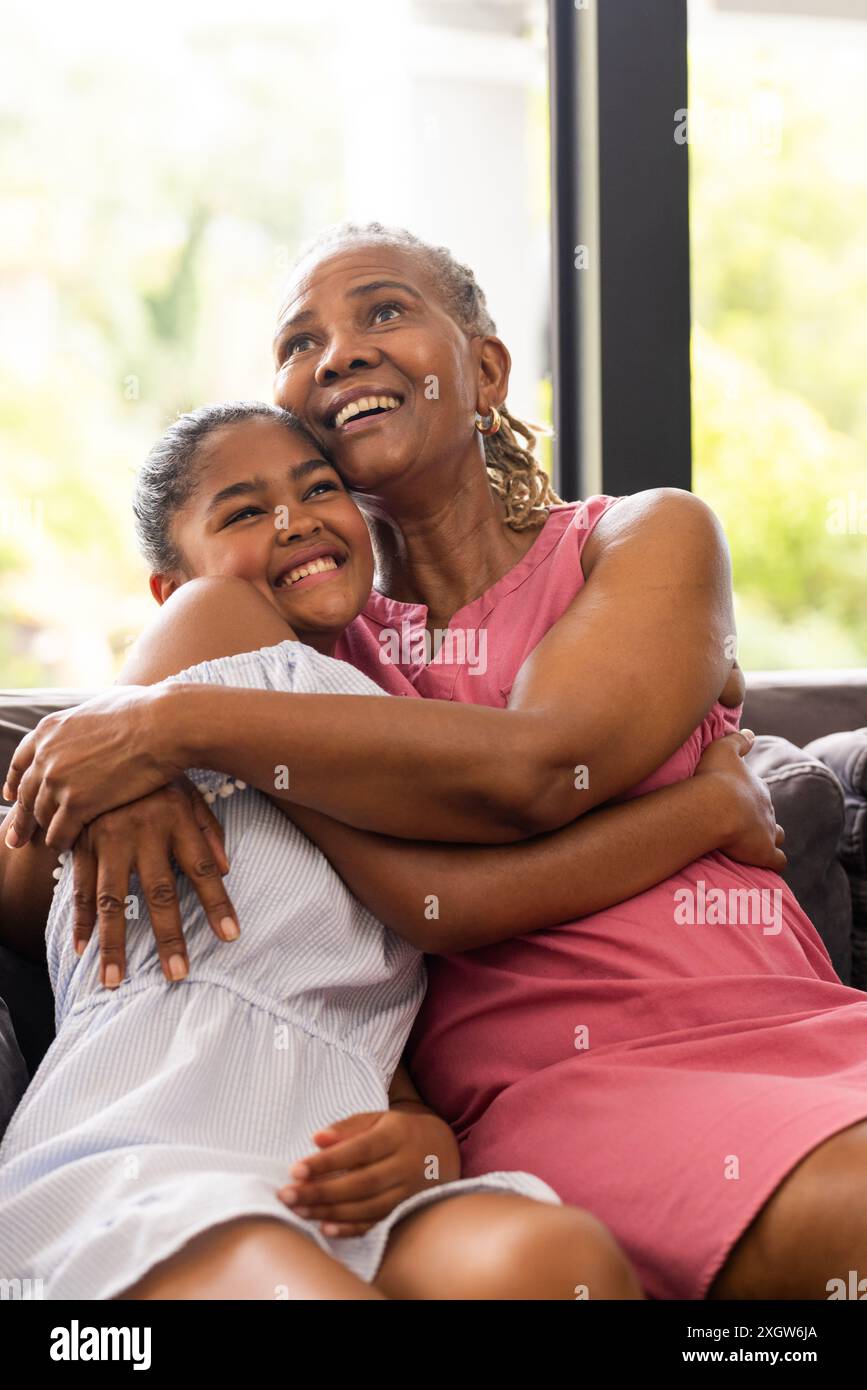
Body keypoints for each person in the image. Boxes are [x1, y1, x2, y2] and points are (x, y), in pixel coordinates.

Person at [9, 224, 864, 1301]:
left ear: (486, 371)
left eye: (383, 311)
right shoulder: (307, 653)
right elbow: (432, 896)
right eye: (300, 340)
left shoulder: (645, 537)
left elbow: (545, 768)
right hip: (569, 1079)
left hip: (793, 1015)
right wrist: (142, 753)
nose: (343, 351)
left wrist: (163, 730)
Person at [0, 402, 654, 1301]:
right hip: (154, 1132)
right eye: (242, 511)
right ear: (168, 584)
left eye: (320, 489)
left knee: (556, 1265)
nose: (296, 518)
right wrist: (118, 776)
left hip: (330, 1155)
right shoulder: (209, 624)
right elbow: (26, 878)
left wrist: (420, 1147)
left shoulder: (380, 728)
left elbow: (408, 993)